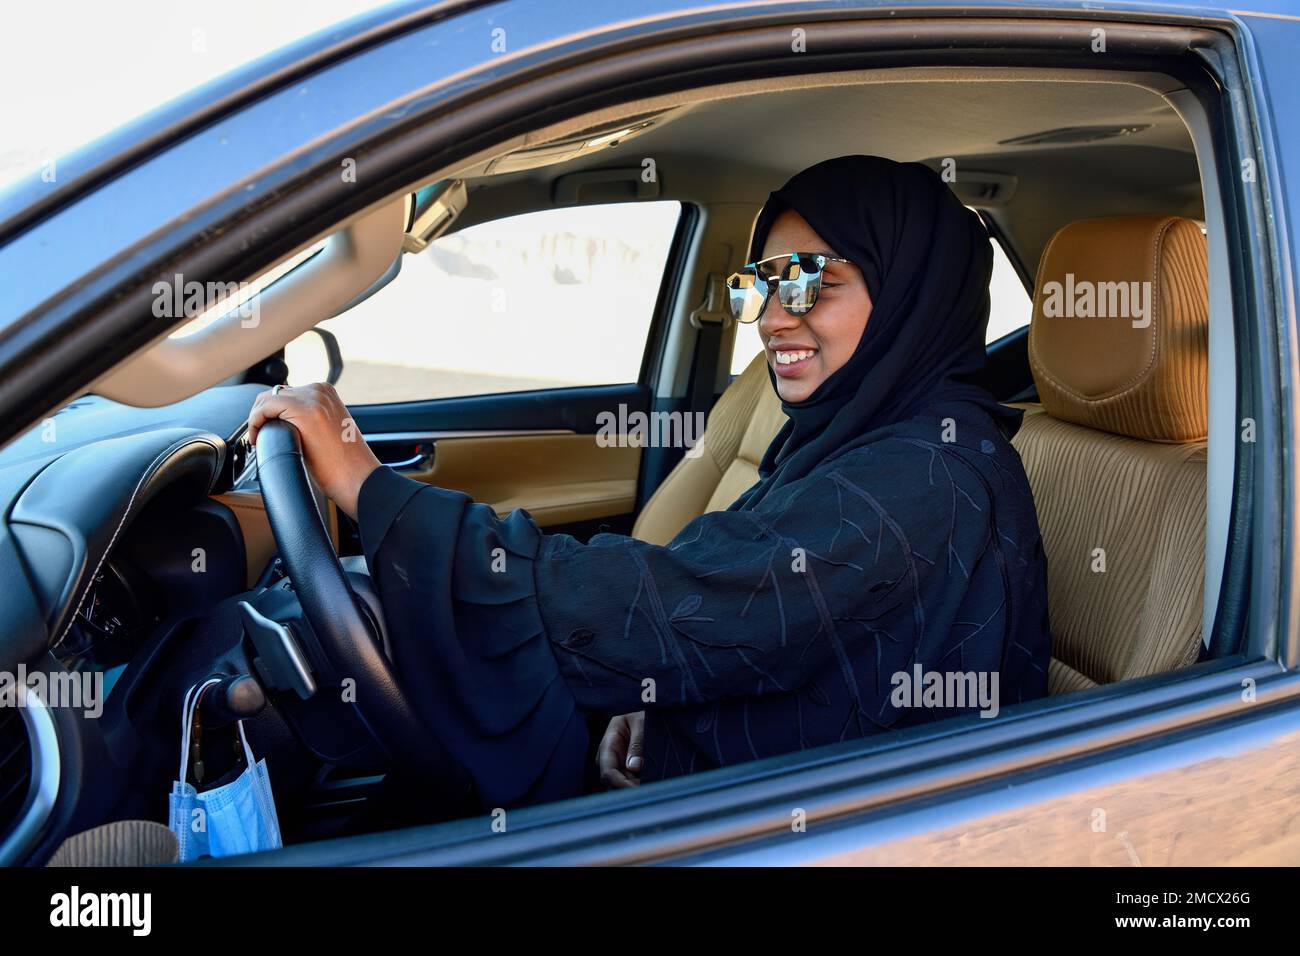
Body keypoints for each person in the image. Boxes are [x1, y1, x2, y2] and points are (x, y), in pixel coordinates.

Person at [246, 155, 1051, 808]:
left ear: (910, 290)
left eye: (808, 280)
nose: (772, 316)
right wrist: (653, 696)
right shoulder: (855, 437)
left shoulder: (926, 477)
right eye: (759, 284)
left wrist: (375, 492)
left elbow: (681, 595)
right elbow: (747, 603)